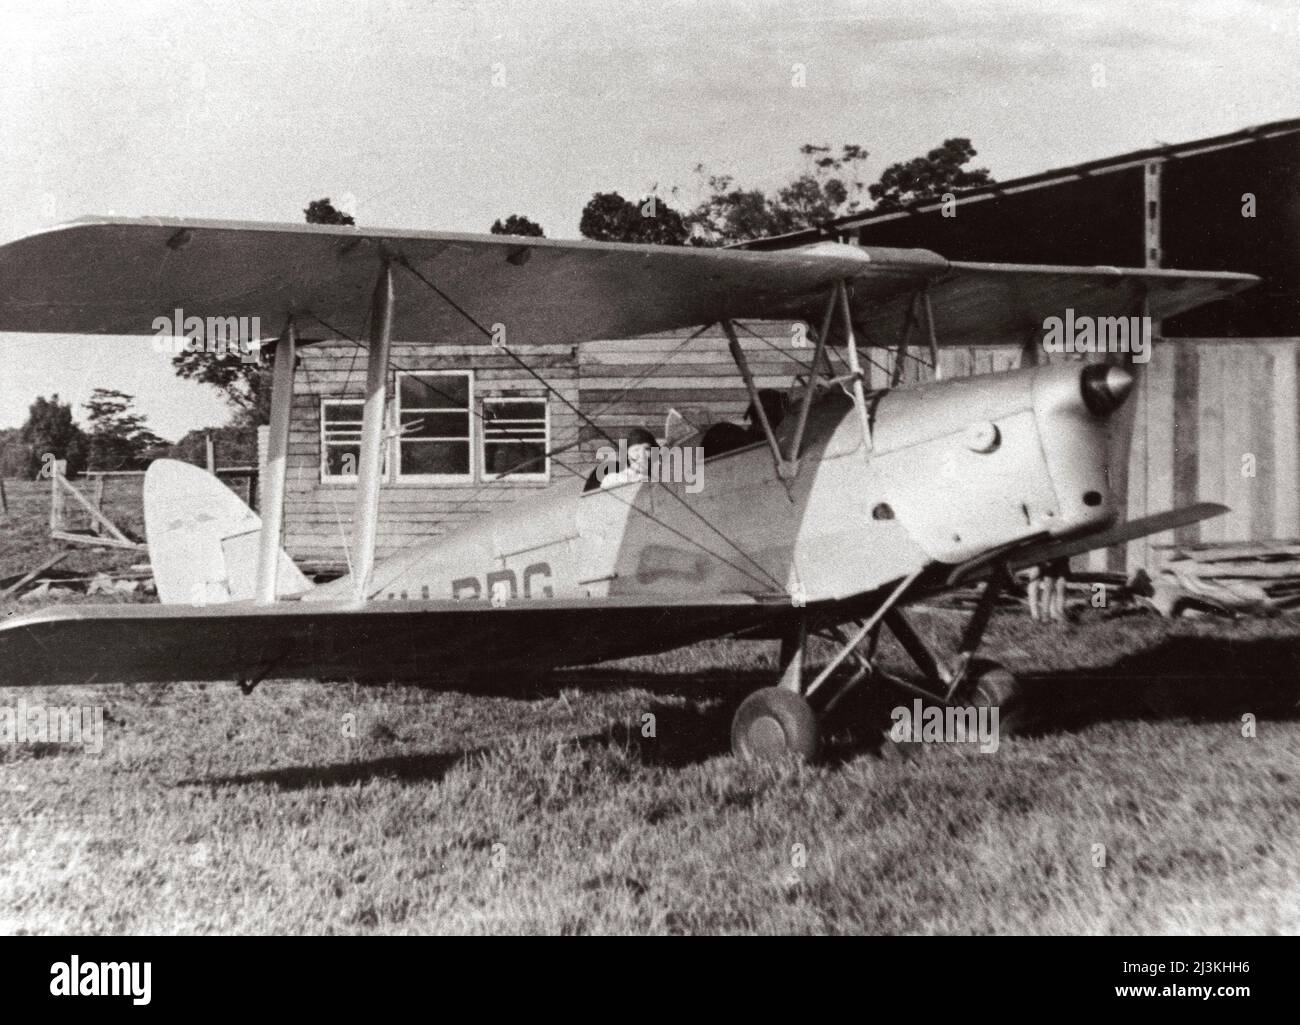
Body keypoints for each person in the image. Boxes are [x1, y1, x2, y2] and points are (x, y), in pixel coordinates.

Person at [585, 427, 657, 490]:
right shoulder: (614, 479)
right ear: (627, 455)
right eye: (636, 450)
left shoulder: (657, 480)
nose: (642, 455)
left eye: (647, 449)